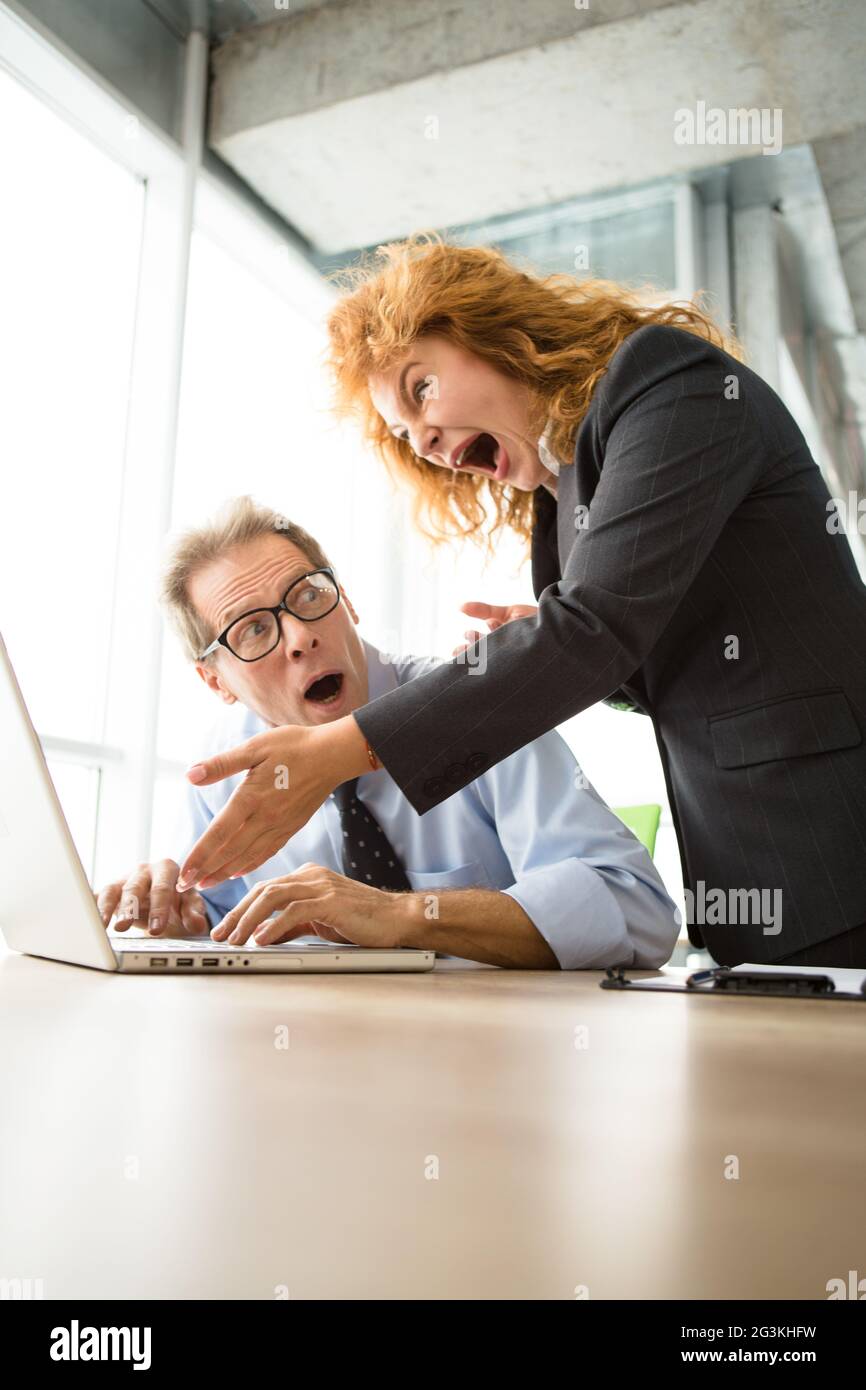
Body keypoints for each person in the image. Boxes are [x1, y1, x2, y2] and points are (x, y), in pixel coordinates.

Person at [176, 237, 866, 968]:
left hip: (833, 831)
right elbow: (627, 645)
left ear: (492, 329)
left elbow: (596, 631)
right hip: (748, 858)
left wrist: (337, 752)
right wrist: (560, 639)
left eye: (420, 390)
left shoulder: (667, 381)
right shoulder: (561, 494)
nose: (430, 442)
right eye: (409, 437)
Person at [98, 496, 679, 970]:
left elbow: (638, 911)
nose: (299, 637)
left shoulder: (476, 703)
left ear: (345, 600)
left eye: (307, 595)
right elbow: (215, 915)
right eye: (251, 630)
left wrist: (404, 915)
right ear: (214, 680)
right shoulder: (222, 764)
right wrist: (174, 911)